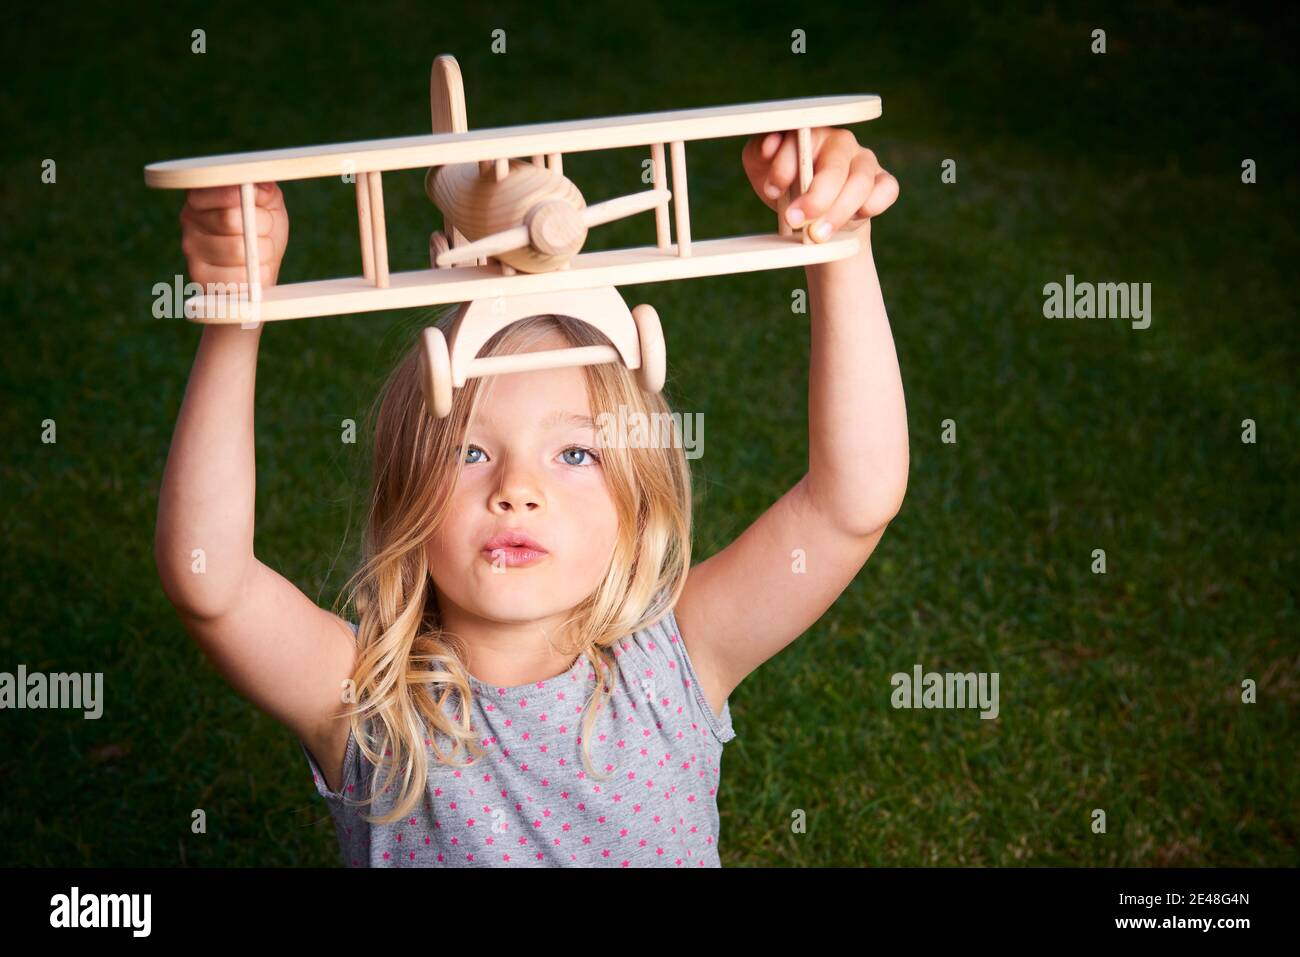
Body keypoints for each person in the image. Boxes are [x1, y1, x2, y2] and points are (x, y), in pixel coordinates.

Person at [154, 127, 906, 867]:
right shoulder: (369, 704)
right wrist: (234, 320)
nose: (517, 490)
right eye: (471, 452)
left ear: (635, 505)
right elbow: (210, 580)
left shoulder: (671, 667)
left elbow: (851, 501)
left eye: (575, 453)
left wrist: (840, 246)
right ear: (409, 494)